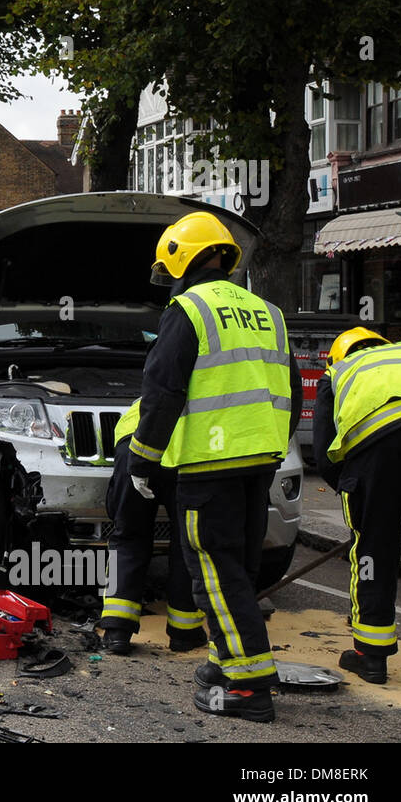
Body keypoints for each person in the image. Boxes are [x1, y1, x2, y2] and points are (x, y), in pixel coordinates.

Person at [128, 211, 300, 723]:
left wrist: (143, 456)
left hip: (210, 464)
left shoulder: (188, 309)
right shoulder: (268, 311)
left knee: (216, 572)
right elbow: (288, 388)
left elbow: (163, 390)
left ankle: (247, 690)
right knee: (239, 570)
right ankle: (233, 664)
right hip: (260, 461)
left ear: (182, 259)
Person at [313, 327, 401, 684]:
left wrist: (361, 501)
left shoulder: (337, 373)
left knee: (375, 547)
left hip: (379, 449)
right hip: (394, 441)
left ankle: (371, 657)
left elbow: (325, 457)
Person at [99, 398, 207, 654]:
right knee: (186, 544)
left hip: (134, 446)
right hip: (185, 454)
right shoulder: (209, 394)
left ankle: (117, 631)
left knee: (128, 538)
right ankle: (185, 633)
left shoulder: (145, 398)